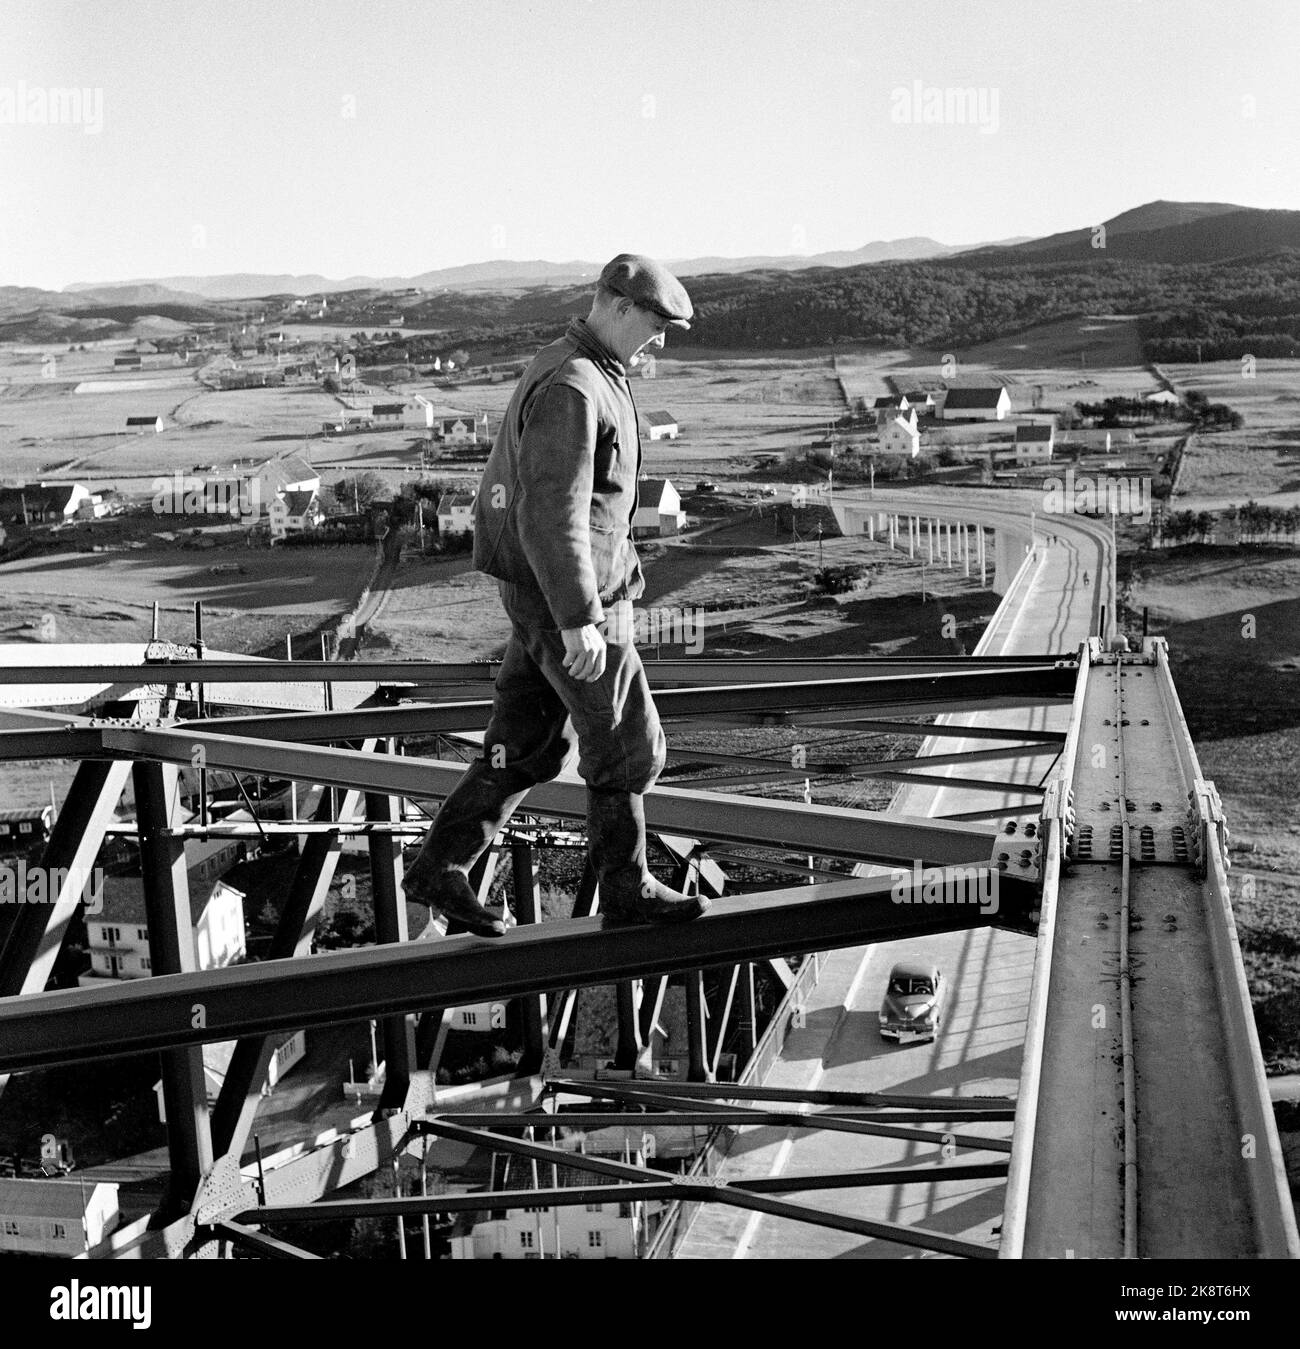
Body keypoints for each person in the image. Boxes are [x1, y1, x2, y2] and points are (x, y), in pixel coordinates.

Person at [404, 254, 710, 937]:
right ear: (619, 307)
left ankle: (440, 864)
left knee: (526, 740)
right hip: (574, 601)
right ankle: (626, 892)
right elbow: (552, 512)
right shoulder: (576, 384)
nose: (659, 339)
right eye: (656, 324)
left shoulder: (580, 367)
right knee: (629, 742)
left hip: (548, 596)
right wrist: (580, 620)